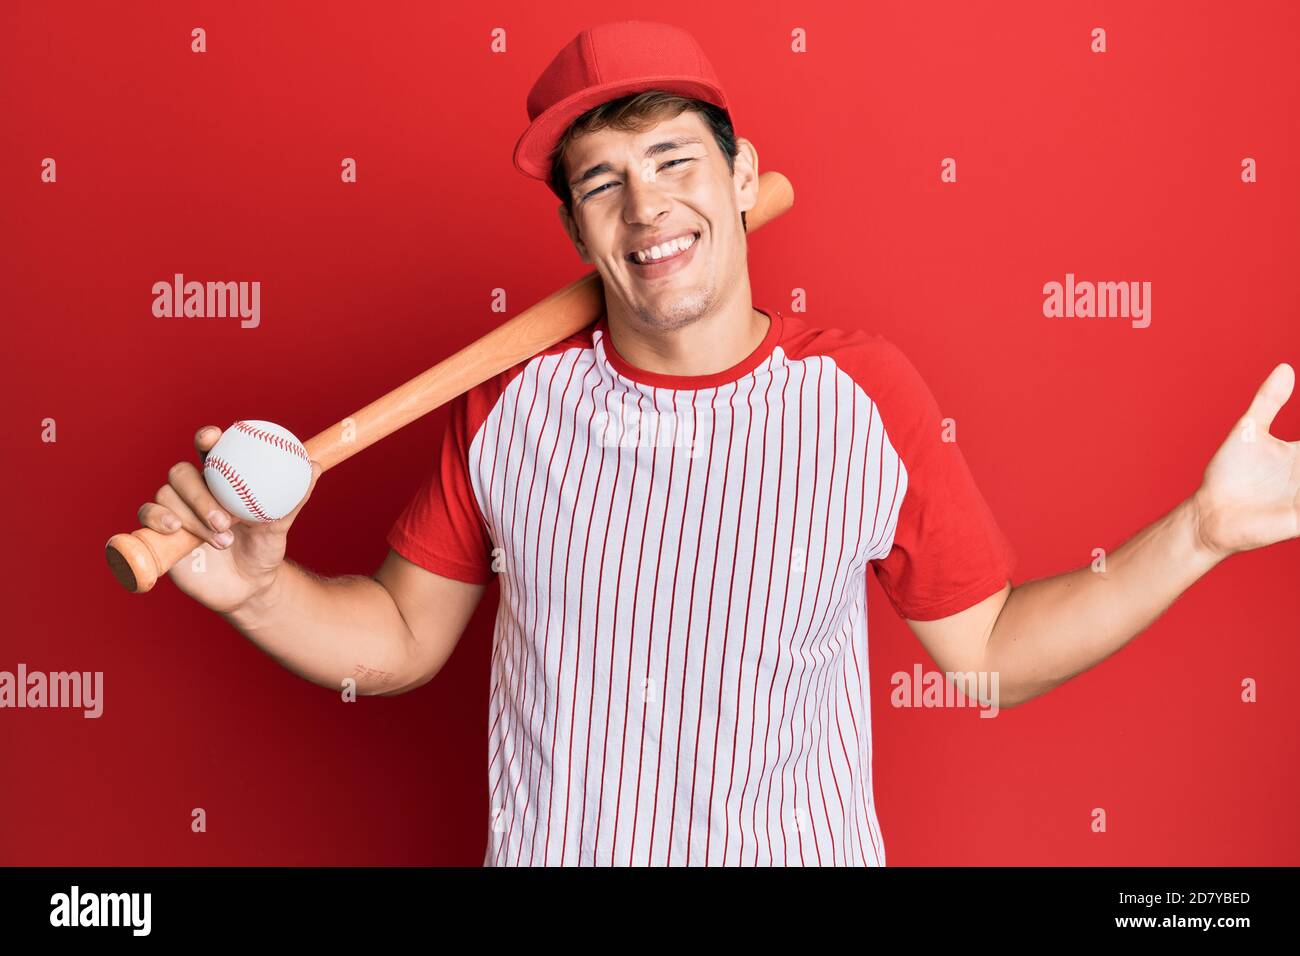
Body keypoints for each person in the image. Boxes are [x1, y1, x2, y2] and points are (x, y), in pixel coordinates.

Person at [138, 20, 1299, 866]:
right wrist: (257, 590)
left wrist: (1199, 533)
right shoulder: (509, 402)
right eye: (603, 184)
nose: (646, 211)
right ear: (576, 228)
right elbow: (395, 638)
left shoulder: (860, 395)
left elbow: (988, 648)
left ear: (741, 178)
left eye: (674, 162)